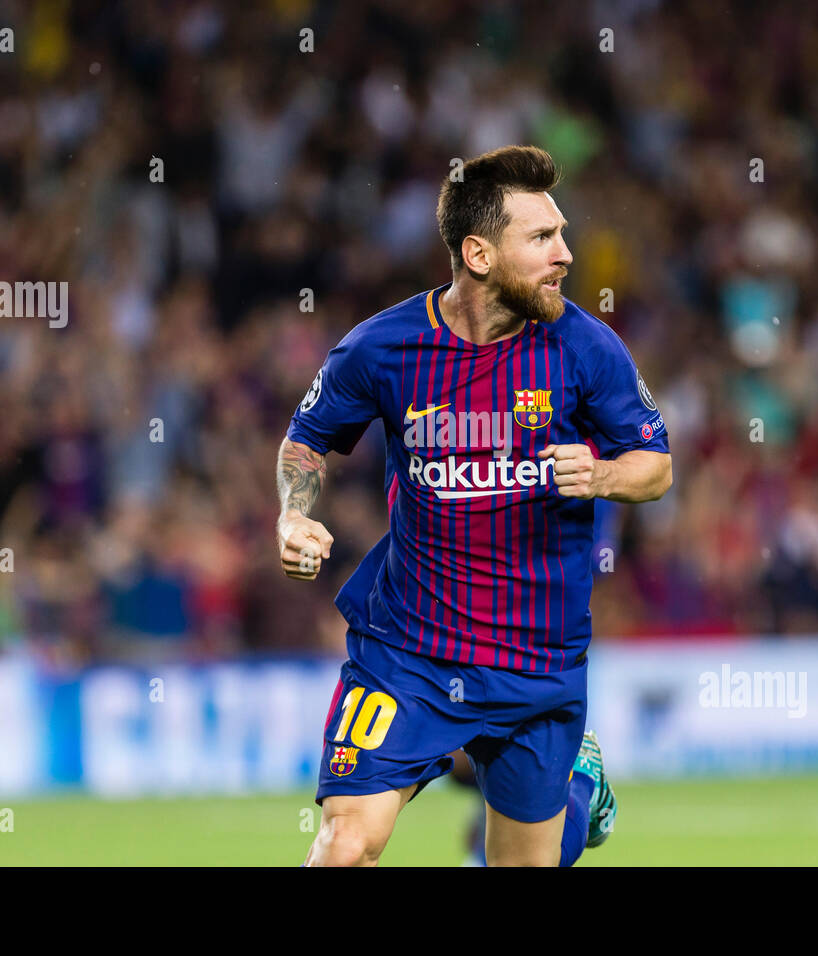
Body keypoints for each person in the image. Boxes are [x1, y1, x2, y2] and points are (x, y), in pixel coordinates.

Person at [276, 145, 671, 866]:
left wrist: (605, 476)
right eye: (543, 238)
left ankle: (579, 789)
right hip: (407, 651)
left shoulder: (586, 348)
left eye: (562, 234)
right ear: (479, 253)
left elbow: (657, 466)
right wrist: (293, 513)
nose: (567, 255)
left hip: (536, 658)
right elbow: (307, 440)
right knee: (345, 847)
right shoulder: (382, 349)